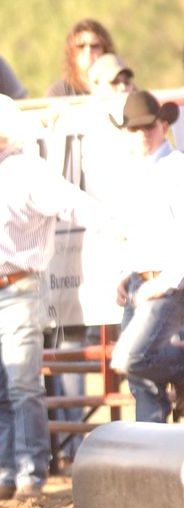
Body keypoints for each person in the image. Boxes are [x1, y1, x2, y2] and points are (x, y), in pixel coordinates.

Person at [0, 92, 108, 500]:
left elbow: (74, 204)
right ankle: (9, 473)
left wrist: (115, 229)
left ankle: (30, 474)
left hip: (17, 288)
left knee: (21, 385)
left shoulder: (26, 172)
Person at [109, 91, 184, 422]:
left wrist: (165, 282)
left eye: (149, 127)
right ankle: (154, 461)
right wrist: (127, 272)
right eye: (134, 128)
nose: (142, 133)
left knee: (136, 361)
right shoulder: (130, 174)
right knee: (139, 379)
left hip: (171, 286)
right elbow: (134, 234)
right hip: (143, 282)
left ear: (163, 125)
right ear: (125, 132)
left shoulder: (177, 169)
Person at [47, 19, 116, 98]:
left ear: (105, 50)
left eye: (95, 46)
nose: (88, 51)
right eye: (81, 46)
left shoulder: (122, 87)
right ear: (71, 52)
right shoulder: (60, 92)